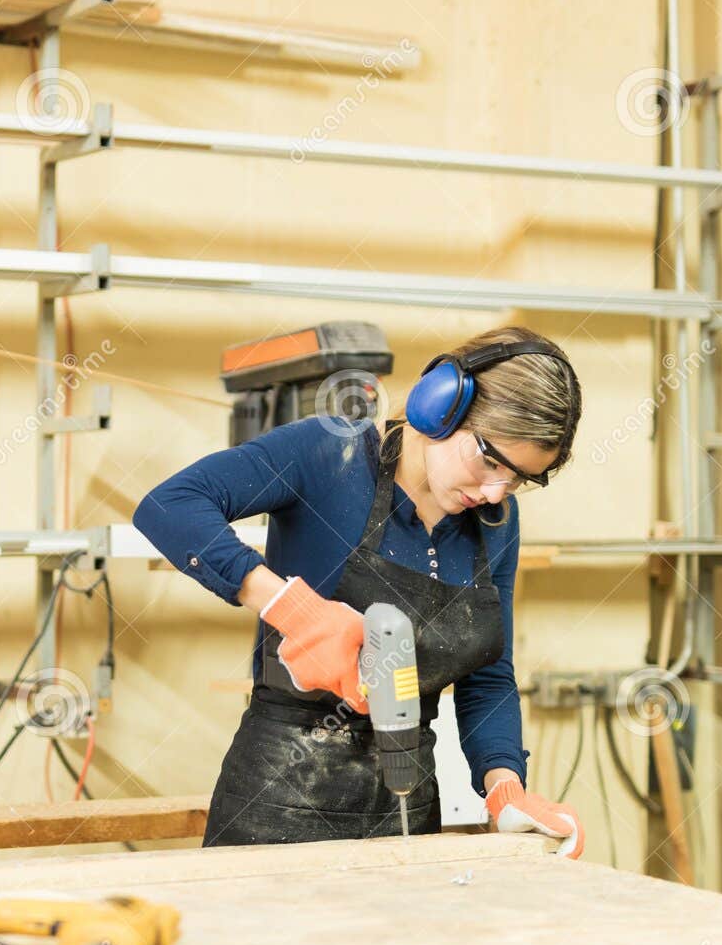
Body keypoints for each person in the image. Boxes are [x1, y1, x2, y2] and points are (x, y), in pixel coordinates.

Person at [133, 326, 586, 857]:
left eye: (519, 479)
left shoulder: (495, 523)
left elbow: (488, 678)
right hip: (282, 797)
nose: (494, 492)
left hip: (409, 804)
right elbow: (171, 505)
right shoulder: (331, 454)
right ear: (439, 408)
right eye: (490, 462)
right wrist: (290, 607)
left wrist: (504, 788)